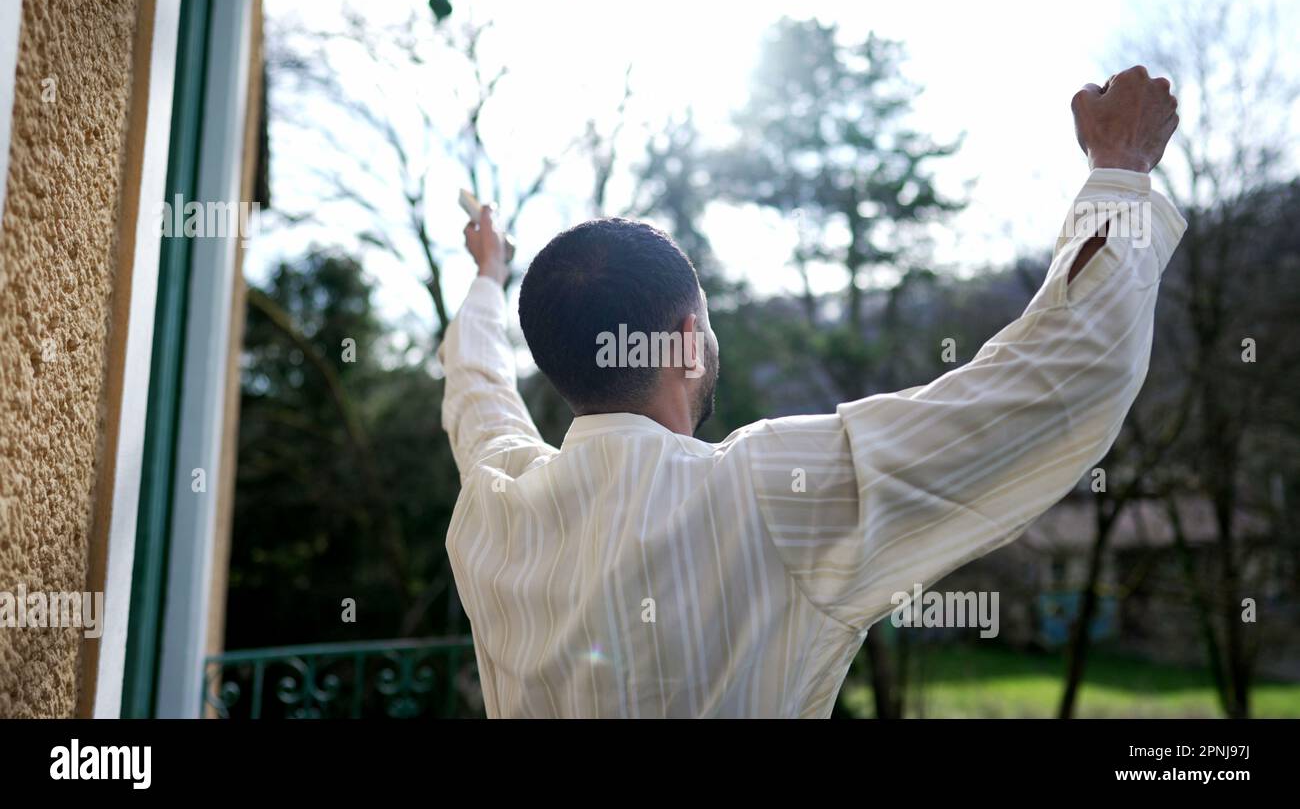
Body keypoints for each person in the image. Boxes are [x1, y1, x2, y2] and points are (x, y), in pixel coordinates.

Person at [438, 65, 1184, 717]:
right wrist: (1118, 166)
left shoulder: (493, 500)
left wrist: (488, 280)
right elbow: (1058, 382)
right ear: (689, 342)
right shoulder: (764, 492)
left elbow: (478, 389)